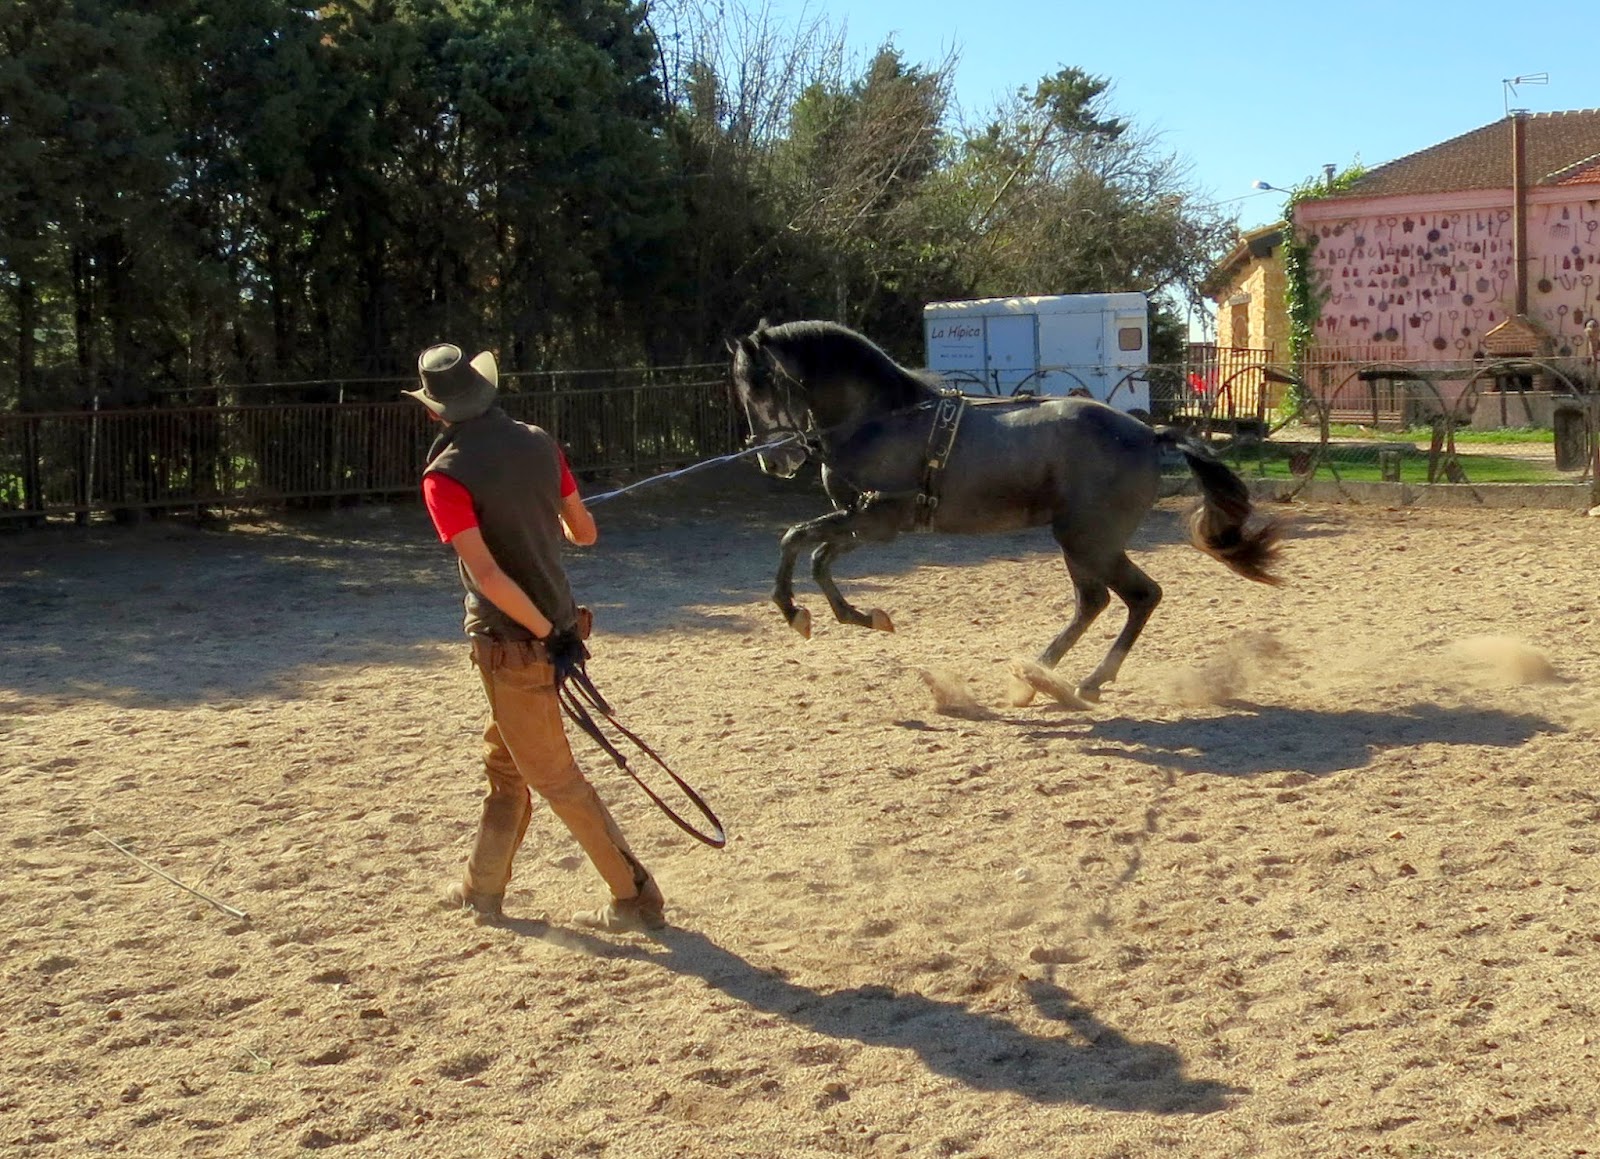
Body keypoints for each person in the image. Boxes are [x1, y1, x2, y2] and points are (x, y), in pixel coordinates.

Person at [405, 342, 666, 932]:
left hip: (516, 642)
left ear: (433, 411)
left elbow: (488, 575)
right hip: (557, 626)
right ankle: (482, 885)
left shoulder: (443, 476)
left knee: (553, 777)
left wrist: (545, 633)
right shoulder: (540, 442)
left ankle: (635, 897)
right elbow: (586, 533)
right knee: (507, 763)